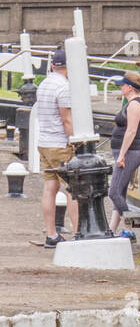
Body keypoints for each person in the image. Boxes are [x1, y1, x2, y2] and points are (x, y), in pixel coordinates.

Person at [35, 47, 79, 247]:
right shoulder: (64, 87)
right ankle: (78, 233)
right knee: (74, 189)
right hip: (60, 144)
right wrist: (76, 141)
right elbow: (66, 119)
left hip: (43, 143)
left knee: (50, 187)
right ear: (68, 67)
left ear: (53, 65)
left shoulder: (43, 84)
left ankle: (51, 235)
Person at [108, 71, 140, 239]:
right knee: (121, 192)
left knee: (114, 192)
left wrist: (122, 155)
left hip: (130, 152)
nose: (121, 87)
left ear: (130, 87)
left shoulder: (135, 105)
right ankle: (111, 230)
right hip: (125, 151)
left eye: (123, 85)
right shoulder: (131, 103)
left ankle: (129, 229)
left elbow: (131, 131)